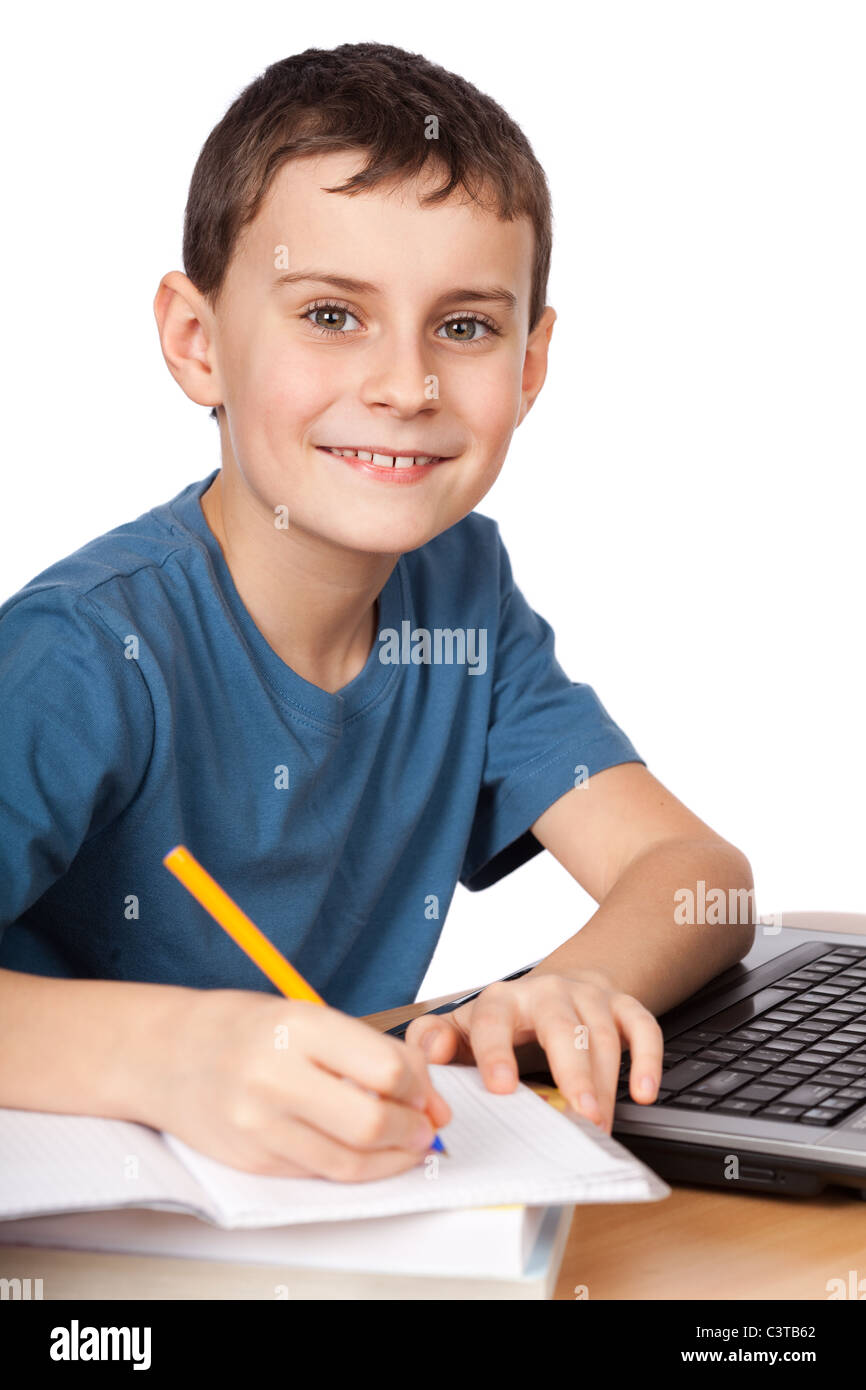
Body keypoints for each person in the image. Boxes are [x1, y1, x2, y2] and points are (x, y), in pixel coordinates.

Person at [0, 42, 754, 1181]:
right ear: (197, 340)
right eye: (330, 314)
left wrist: (571, 983)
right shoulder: (85, 650)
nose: (406, 386)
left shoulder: (462, 600)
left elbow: (697, 873)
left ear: (531, 363)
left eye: (463, 327)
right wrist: (174, 1052)